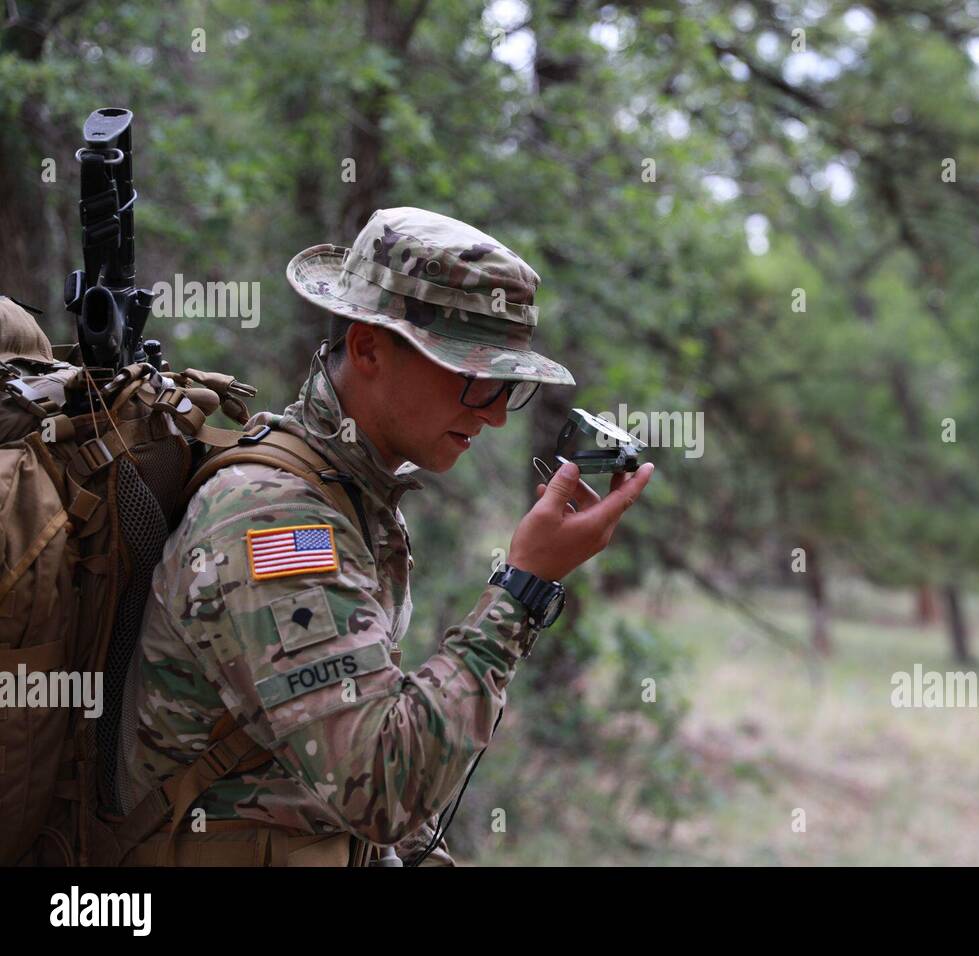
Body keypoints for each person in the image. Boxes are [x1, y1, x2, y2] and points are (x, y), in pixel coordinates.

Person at [111, 207, 654, 866]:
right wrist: (521, 588)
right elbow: (383, 785)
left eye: (504, 386)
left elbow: (360, 777)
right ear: (368, 347)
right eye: (472, 379)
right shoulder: (274, 521)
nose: (493, 416)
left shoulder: (350, 494)